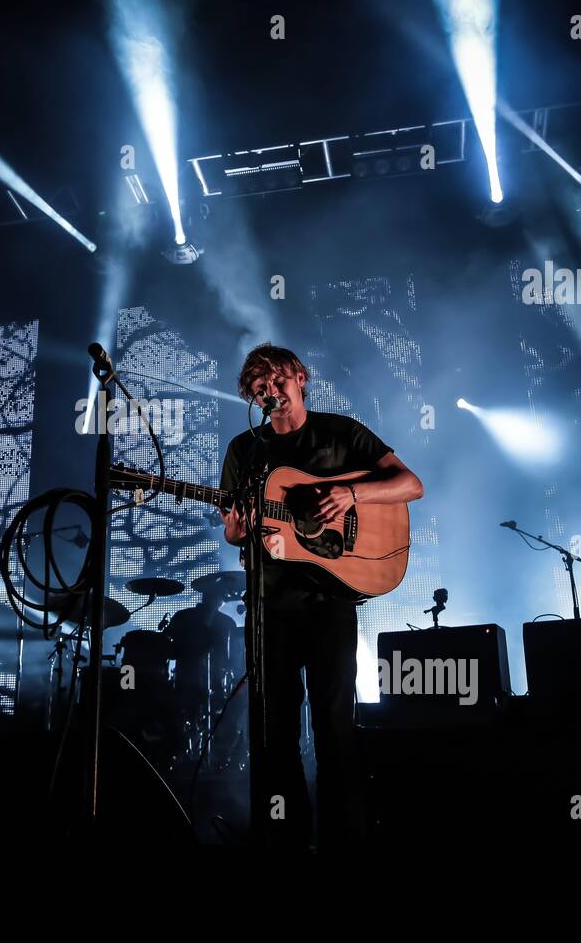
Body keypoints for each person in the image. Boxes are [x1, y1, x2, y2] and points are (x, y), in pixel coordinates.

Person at [219, 344, 423, 850]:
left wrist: (351, 494)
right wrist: (239, 529)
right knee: (274, 732)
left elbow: (410, 484)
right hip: (269, 607)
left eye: (277, 382)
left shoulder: (341, 433)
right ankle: (282, 843)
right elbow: (232, 532)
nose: (271, 395)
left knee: (335, 725)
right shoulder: (245, 450)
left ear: (301, 377)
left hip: (330, 605)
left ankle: (345, 843)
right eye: (260, 390)